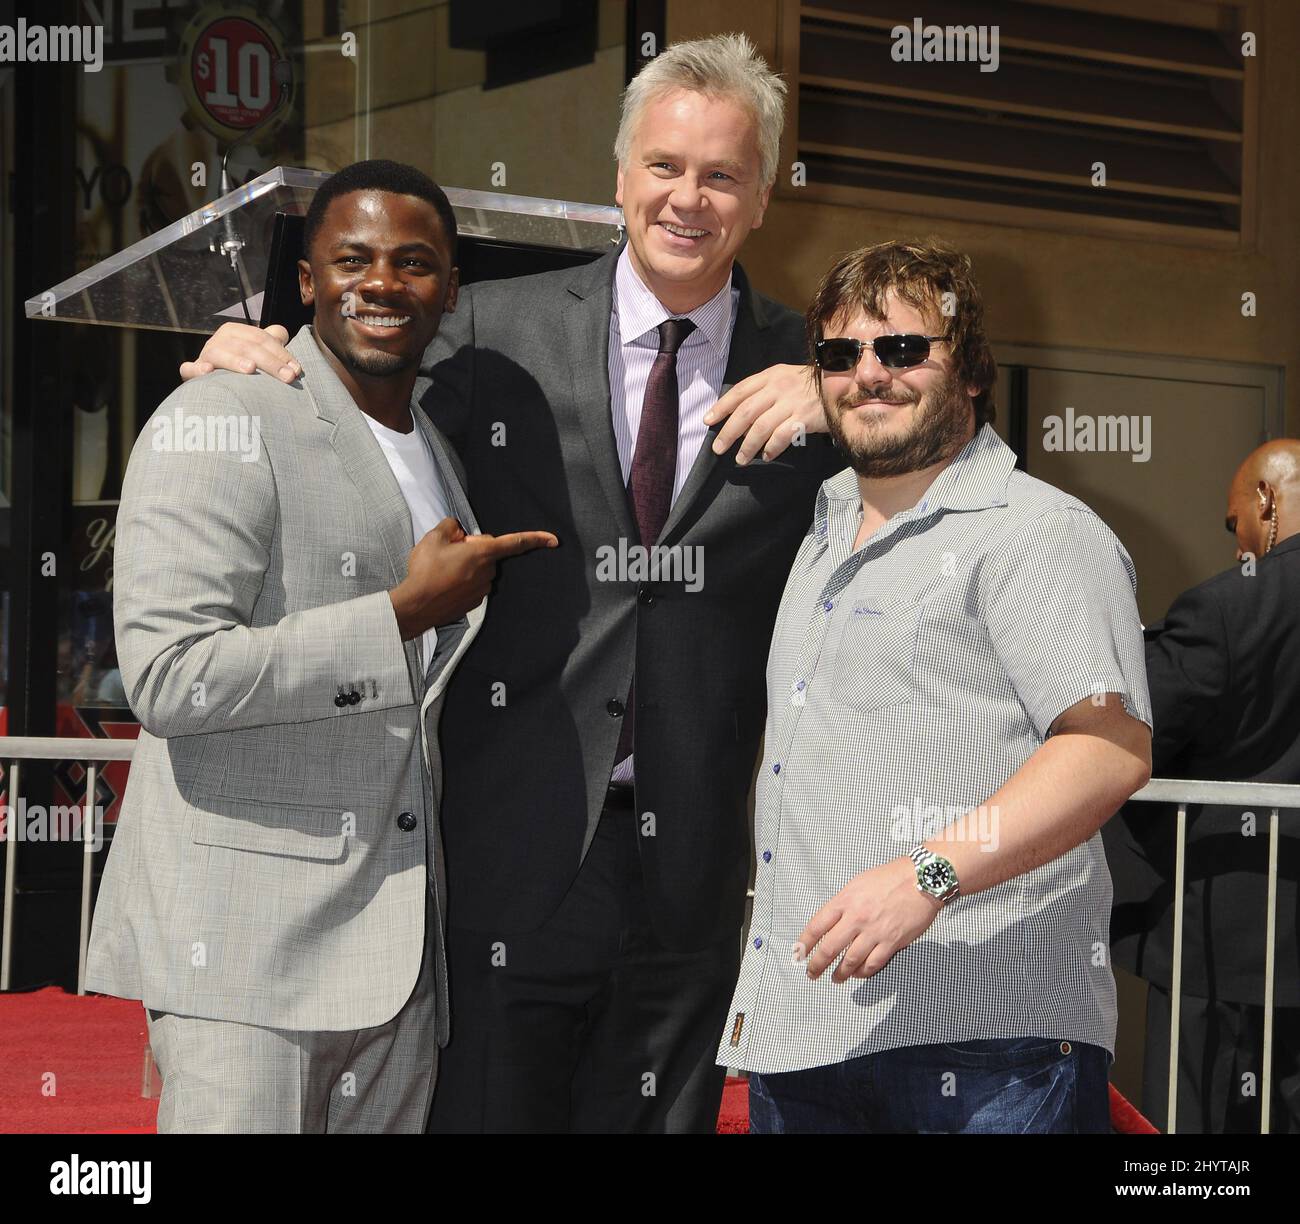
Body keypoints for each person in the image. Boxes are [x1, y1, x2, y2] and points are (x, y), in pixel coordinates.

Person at [180, 33, 842, 1133]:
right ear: (621, 177)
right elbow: (354, 388)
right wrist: (249, 359)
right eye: (666, 168)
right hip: (511, 845)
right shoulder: (498, 328)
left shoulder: (815, 365)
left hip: (688, 869)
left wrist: (838, 398)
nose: (689, 198)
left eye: (722, 175)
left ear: (763, 197)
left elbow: (961, 461)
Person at [86, 160, 556, 1133]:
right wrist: (397, 618)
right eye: (351, 259)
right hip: (243, 963)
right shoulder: (221, 415)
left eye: (414, 262)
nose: (381, 283)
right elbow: (170, 677)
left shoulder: (440, 450)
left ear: (450, 288)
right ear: (306, 283)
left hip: (396, 970)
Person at [719, 239, 1153, 1134]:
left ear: (972, 371)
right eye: (841, 357)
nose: (869, 373)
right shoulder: (821, 531)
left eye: (904, 349)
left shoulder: (1034, 532)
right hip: (803, 1037)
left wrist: (929, 873)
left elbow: (1106, 749)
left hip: (987, 1043)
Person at [1105, 439, 1300, 1133]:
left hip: (1216, 942)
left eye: (1234, 522)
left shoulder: (1224, 610)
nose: (1239, 539)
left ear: (1268, 502)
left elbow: (1128, 732)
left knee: (1194, 1141)